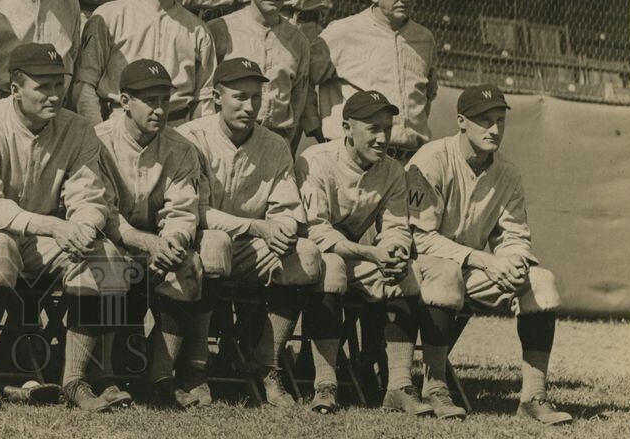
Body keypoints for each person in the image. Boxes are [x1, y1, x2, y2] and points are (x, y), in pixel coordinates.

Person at [0, 44, 127, 412]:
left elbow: (89, 196)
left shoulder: (78, 129)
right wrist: (54, 226)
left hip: (47, 240)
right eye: (43, 86)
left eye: (58, 84)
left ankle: (76, 380)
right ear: (15, 88)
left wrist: (83, 227)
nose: (54, 95)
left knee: (106, 255)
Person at [406, 85, 572, 425]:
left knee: (540, 282)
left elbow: (514, 235)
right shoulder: (431, 158)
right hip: (417, 267)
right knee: (446, 273)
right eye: (484, 121)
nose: (494, 129)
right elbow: (418, 236)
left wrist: (514, 262)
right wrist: (483, 260)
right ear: (461, 121)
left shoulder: (507, 173)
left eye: (500, 120)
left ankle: (532, 398)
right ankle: (434, 388)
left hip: (469, 269)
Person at [295, 89, 460, 416]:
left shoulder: (393, 171)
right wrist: (372, 254)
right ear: (346, 128)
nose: (382, 137)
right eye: (372, 128)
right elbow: (316, 231)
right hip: (309, 257)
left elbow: (397, 226)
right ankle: (324, 385)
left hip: (358, 256)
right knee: (331, 265)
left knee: (407, 272)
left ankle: (398, 386)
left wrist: (395, 251)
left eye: (386, 128)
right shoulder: (316, 160)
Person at [182, 57, 326, 408]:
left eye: (256, 97)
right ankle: (195, 366)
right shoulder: (191, 137)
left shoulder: (274, 144)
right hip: (202, 242)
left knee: (306, 255)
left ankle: (268, 364)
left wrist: (284, 230)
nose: (249, 106)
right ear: (217, 96)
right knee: (216, 244)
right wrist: (256, 226)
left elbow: (288, 209)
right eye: (239, 97)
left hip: (252, 247)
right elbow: (193, 212)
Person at [94, 60, 208, 410]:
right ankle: (105, 375)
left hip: (154, 244)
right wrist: (144, 242)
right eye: (150, 100)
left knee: (188, 264)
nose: (160, 109)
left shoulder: (180, 147)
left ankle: (161, 376)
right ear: (125, 101)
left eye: (165, 100)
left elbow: (182, 210)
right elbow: (99, 209)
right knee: (108, 261)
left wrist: (171, 244)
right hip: (107, 239)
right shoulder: (97, 140)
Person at [73, 0, 217, 126]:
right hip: (119, 123)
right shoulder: (109, 16)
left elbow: (204, 101)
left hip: (176, 128)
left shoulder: (198, 31)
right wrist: (99, 134)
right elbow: (84, 85)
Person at [314, 0, 437, 158]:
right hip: (356, 158)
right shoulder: (342, 33)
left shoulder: (425, 39)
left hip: (410, 158)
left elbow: (426, 98)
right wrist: (314, 125)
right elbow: (303, 80)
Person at [208, 0, 318, 143]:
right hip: (229, 137)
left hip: (277, 137)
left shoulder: (298, 40)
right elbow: (208, 93)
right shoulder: (221, 30)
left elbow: (298, 98)